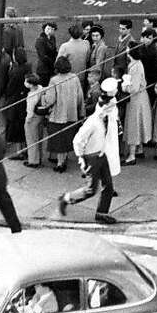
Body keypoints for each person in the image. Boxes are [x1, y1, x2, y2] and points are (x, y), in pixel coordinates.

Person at [57, 79, 123, 223]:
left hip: (102, 154)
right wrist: (81, 158)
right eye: (110, 107)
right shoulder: (93, 122)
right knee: (91, 189)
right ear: (104, 108)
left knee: (108, 187)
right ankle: (66, 198)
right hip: (91, 157)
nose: (113, 109)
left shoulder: (107, 117)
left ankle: (101, 213)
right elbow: (77, 140)